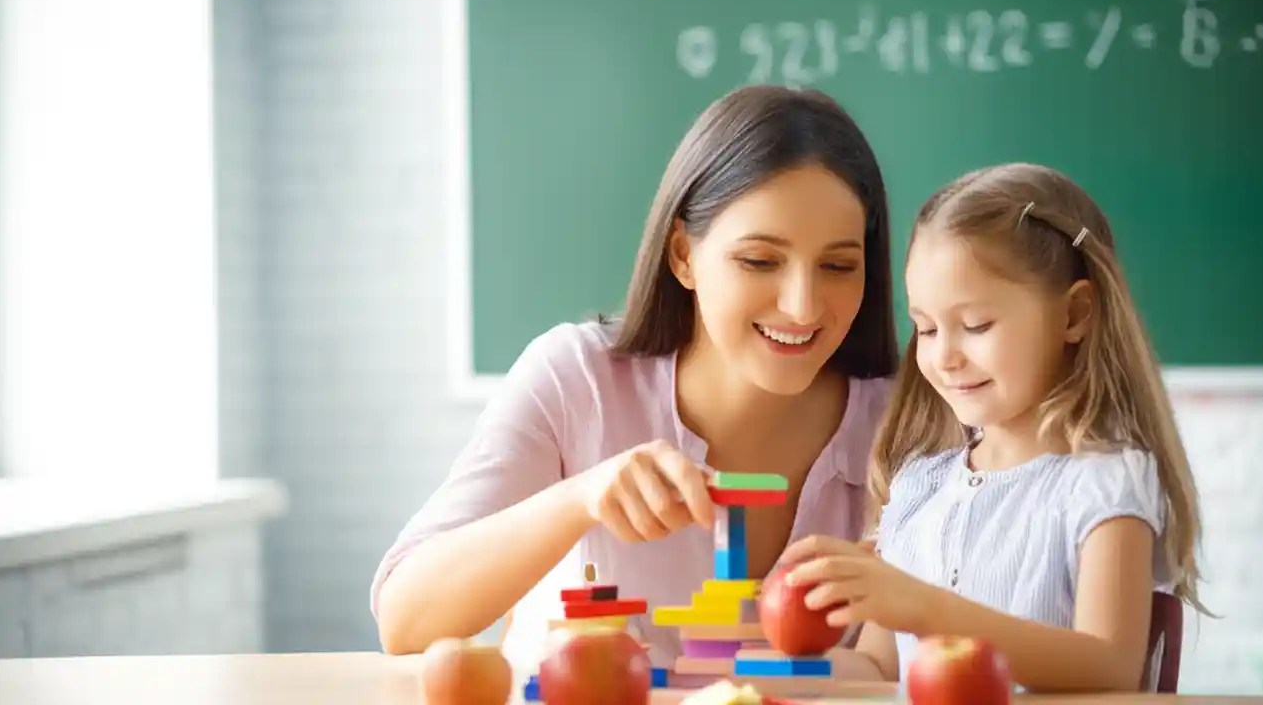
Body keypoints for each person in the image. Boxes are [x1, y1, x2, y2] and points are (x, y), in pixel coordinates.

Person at [371, 84, 899, 673]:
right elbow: (405, 617)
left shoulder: (907, 421)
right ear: (682, 255)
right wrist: (581, 498)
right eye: (759, 260)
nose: (803, 306)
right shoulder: (577, 379)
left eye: (837, 266)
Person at [780, 162, 1206, 692]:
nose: (944, 356)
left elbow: (1109, 666)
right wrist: (775, 669)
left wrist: (924, 607)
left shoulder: (1105, 485)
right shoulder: (918, 489)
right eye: (927, 328)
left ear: (1074, 315)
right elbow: (881, 667)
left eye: (976, 325)